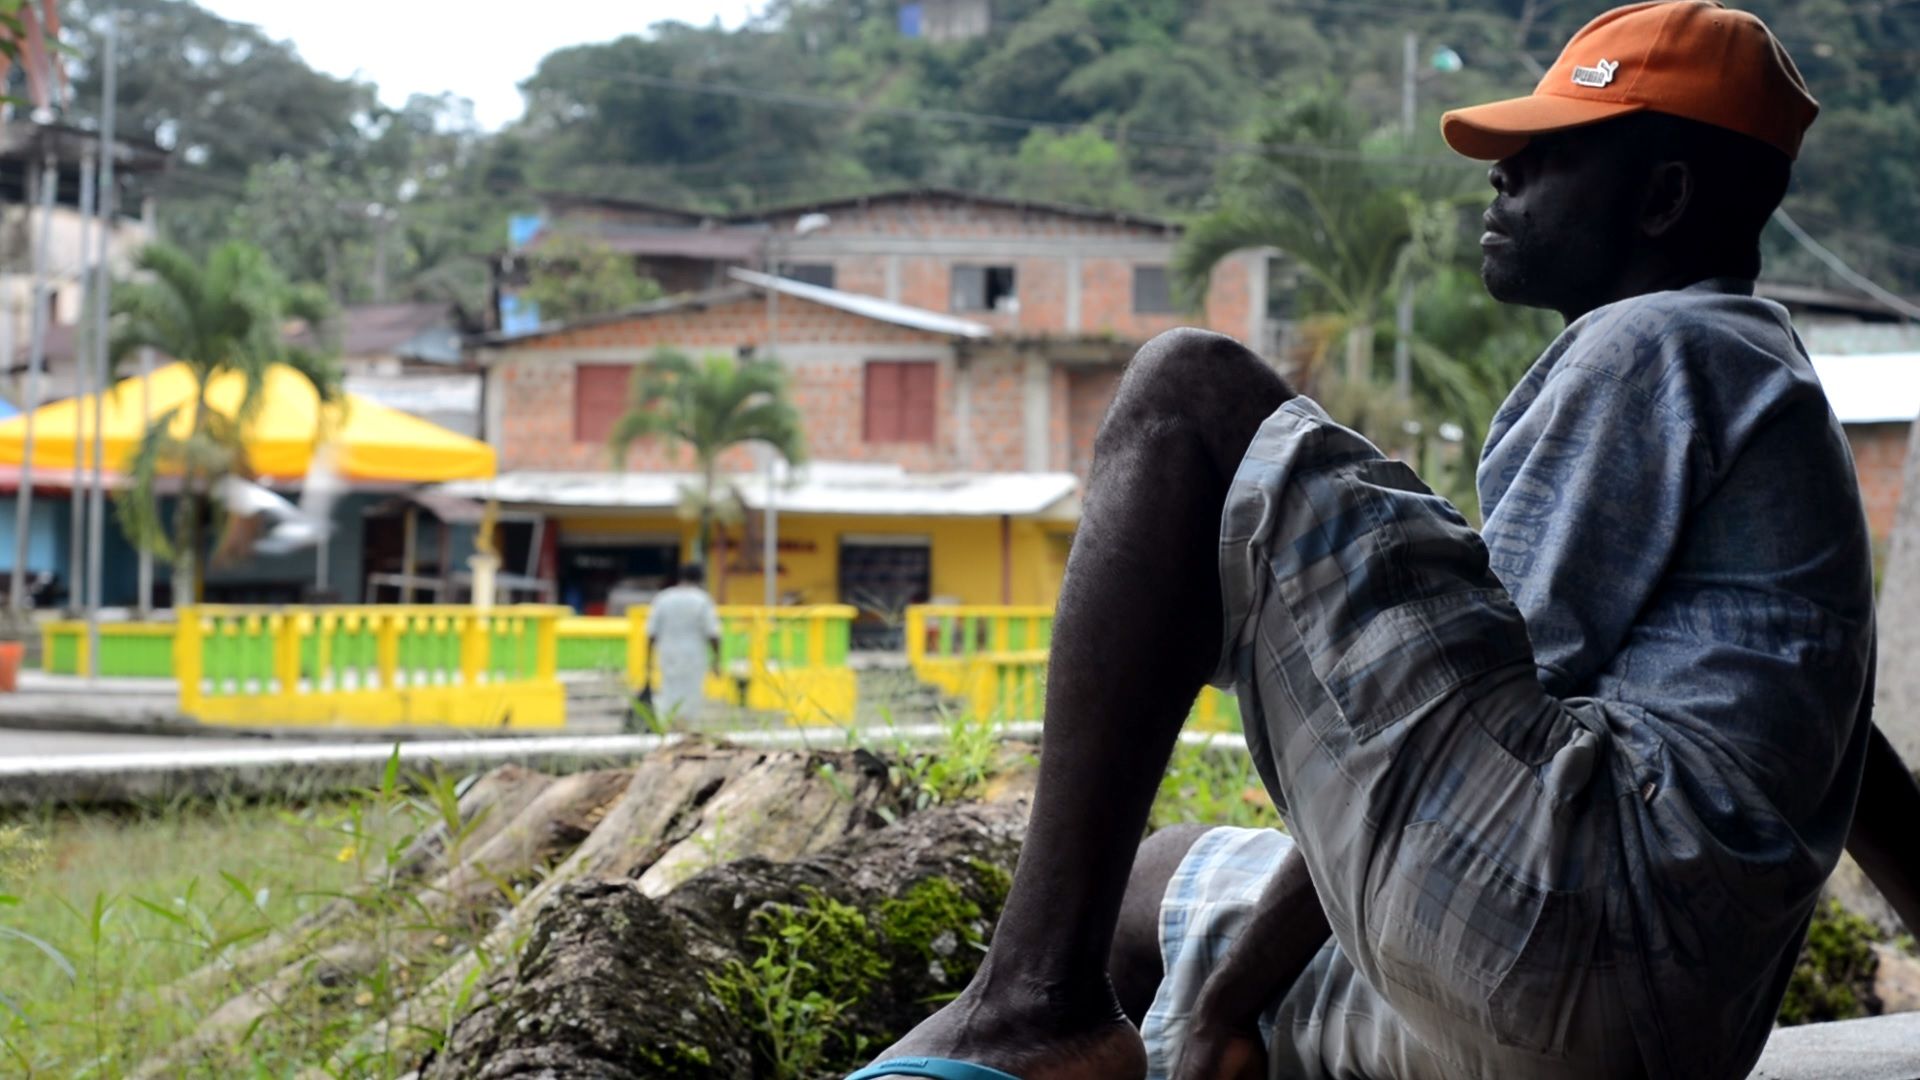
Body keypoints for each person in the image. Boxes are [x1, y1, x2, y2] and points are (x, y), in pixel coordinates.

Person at [847, 4, 1920, 1080]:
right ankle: (1073, 1012)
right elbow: (1848, 747)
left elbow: (1500, 691)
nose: (1501, 180)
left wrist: (1224, 1002)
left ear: (1663, 198)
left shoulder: (1659, 344)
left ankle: (1027, 1010)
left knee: (1187, 395)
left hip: (1575, 930)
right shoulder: (1772, 390)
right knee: (1147, 895)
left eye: (1544, 157)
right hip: (1652, 1024)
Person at [645, 562, 722, 724]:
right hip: (694, 655)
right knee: (691, 693)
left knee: (669, 691)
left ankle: (669, 726)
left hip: (668, 653)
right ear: (700, 579)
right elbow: (713, 634)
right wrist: (717, 659)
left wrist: (648, 661)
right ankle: (686, 731)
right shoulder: (702, 600)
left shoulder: (663, 598)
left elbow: (651, 633)